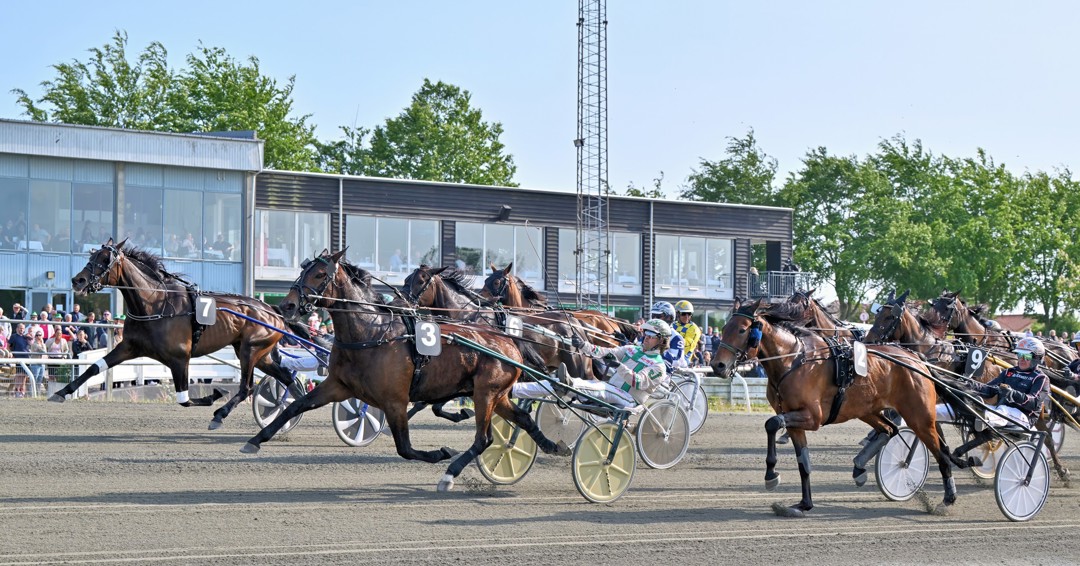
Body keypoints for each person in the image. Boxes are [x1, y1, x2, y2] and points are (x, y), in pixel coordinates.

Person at [511, 319, 673, 409]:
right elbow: (602, 351)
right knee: (559, 384)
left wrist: (618, 366)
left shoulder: (659, 367)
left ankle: (570, 384)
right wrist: (582, 345)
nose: (646, 337)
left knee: (591, 386)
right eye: (645, 333)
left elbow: (637, 382)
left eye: (651, 335)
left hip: (629, 400)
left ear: (661, 340)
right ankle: (513, 390)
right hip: (611, 391)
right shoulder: (632, 349)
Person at [948, 337, 1051, 459]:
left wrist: (1013, 394)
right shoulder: (1009, 372)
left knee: (1002, 410)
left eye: (1027, 356)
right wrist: (967, 383)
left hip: (1024, 418)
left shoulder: (1041, 378)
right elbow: (988, 390)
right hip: (1000, 413)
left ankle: (984, 419)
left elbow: (1034, 403)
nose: (1022, 359)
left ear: (1037, 358)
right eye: (1019, 355)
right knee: (977, 406)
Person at [649, 301, 686, 372]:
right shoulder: (649, 333)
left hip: (666, 375)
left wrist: (655, 354)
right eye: (653, 316)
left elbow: (678, 361)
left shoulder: (676, 337)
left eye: (659, 316)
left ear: (669, 318)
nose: (655, 319)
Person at [672, 300, 702, 367]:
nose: (687, 316)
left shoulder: (694, 328)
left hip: (683, 360)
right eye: (684, 314)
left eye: (689, 313)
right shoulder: (673, 324)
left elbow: (685, 345)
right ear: (677, 314)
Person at [8, 323, 29, 397]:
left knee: (24, 376)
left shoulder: (25, 337)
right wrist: (11, 354)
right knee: (18, 375)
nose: (22, 330)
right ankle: (17, 390)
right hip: (18, 358)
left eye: (23, 328)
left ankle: (22, 391)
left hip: (26, 357)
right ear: (17, 328)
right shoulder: (14, 336)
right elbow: (8, 346)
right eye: (20, 328)